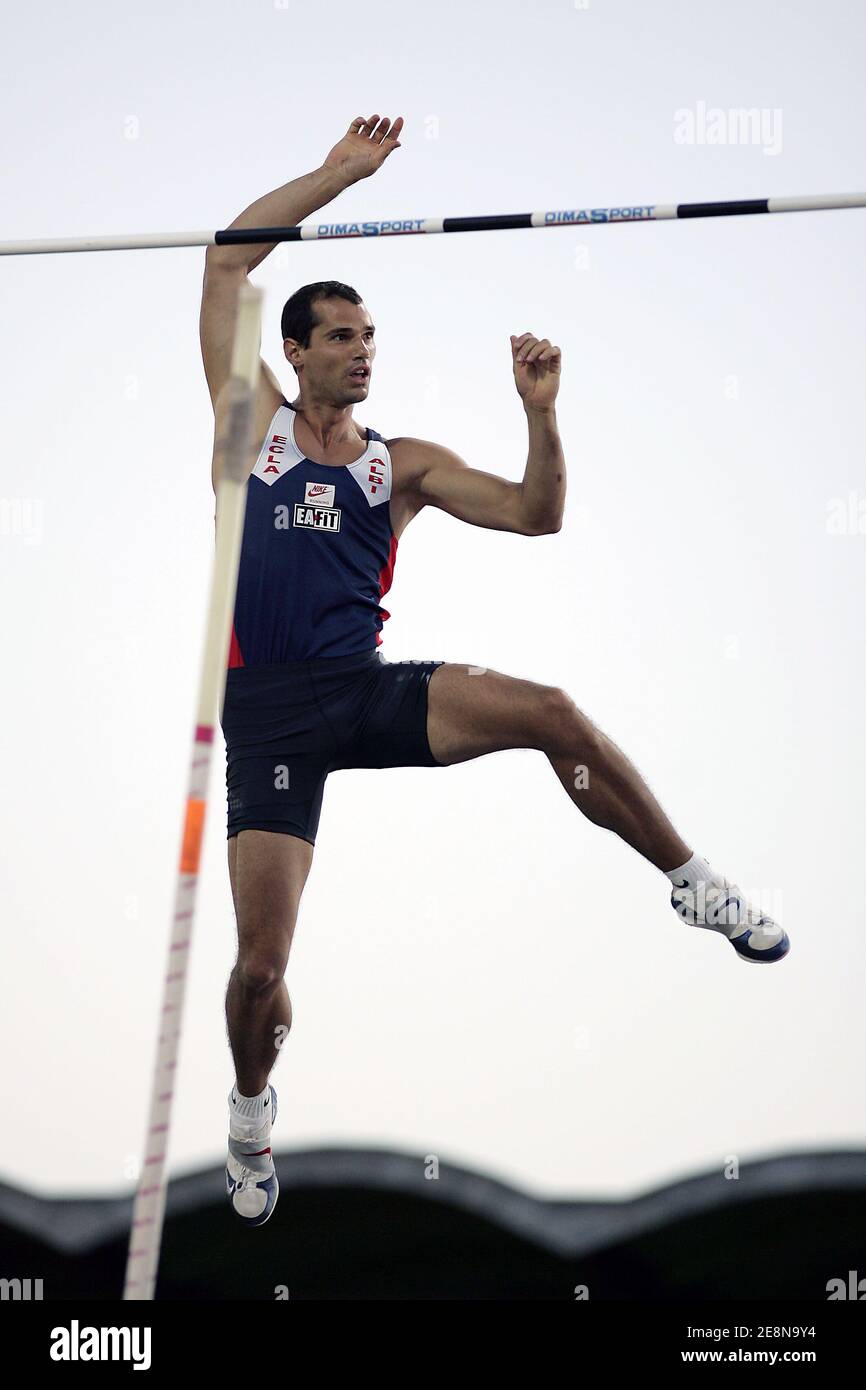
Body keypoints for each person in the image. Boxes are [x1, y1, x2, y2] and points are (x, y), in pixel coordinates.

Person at [199, 113, 789, 1228]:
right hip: (269, 713)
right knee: (261, 970)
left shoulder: (400, 464)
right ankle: (247, 1105)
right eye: (341, 336)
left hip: (366, 693)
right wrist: (339, 174)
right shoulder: (247, 428)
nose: (363, 351)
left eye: (371, 335)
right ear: (296, 350)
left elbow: (534, 515)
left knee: (552, 713)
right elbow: (228, 259)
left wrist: (541, 416)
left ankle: (688, 877)